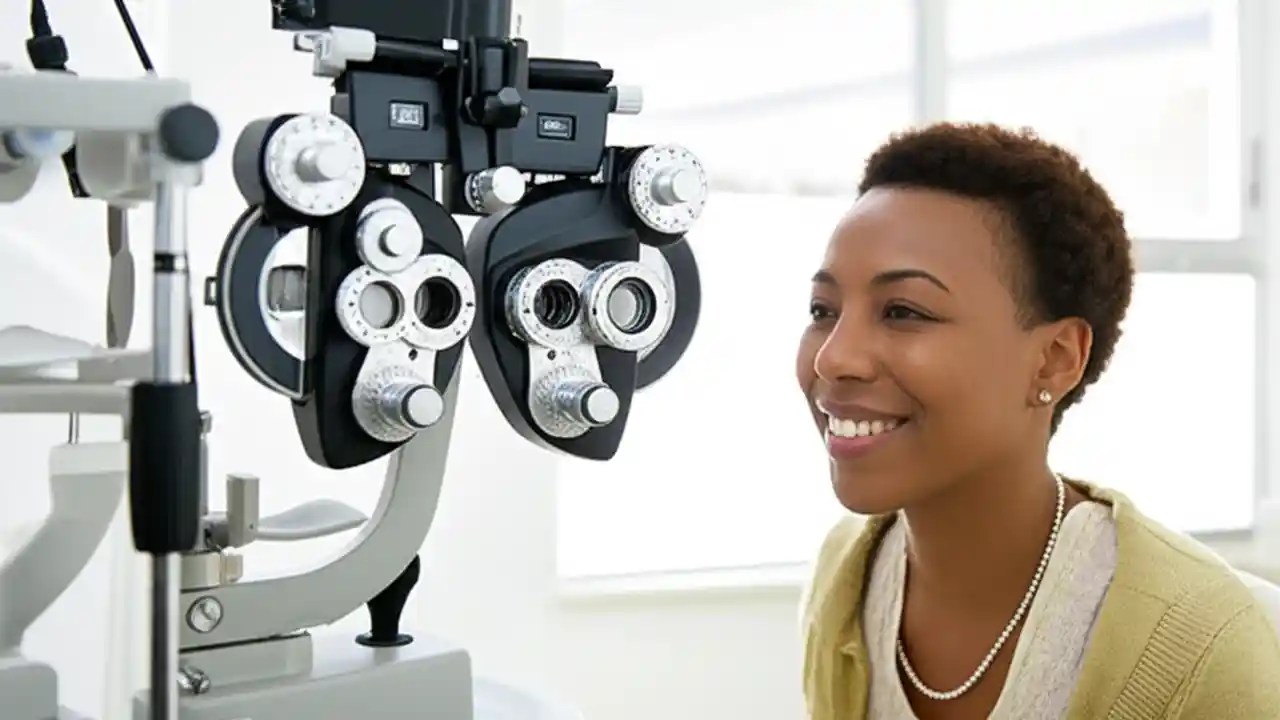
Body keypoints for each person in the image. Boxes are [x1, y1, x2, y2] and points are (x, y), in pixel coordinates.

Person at [795, 122, 1280, 720]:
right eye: (824, 309)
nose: (832, 357)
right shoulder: (846, 576)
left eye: (903, 311)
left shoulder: (1214, 650)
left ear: (1055, 359)